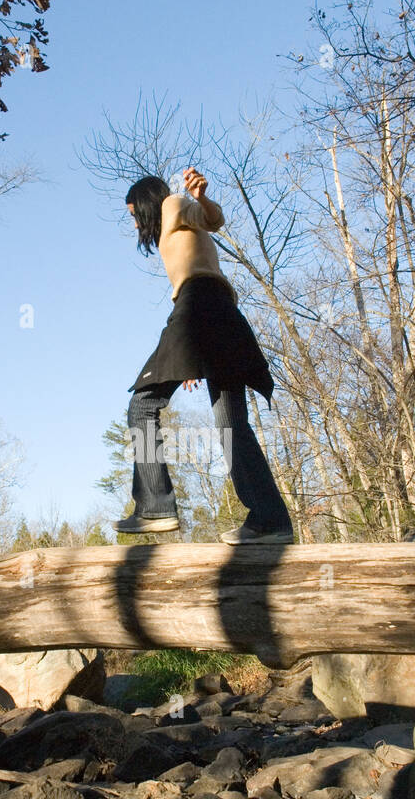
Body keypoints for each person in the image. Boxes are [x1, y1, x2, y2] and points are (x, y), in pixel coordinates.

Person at [114, 167, 294, 544]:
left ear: (145, 202)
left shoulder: (173, 205)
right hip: (218, 315)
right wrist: (192, 355)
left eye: (133, 214)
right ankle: (270, 520)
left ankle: (155, 507)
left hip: (199, 308)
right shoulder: (172, 223)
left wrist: (201, 196)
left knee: (142, 407)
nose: (134, 225)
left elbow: (212, 219)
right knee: (232, 425)